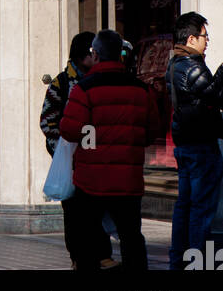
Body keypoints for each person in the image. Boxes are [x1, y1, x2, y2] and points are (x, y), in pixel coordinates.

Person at [59, 28, 159, 272]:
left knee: (87, 238)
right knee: (131, 237)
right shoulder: (142, 90)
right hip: (128, 180)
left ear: (96, 54)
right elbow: (151, 131)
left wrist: (93, 138)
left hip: (91, 180)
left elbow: (69, 129)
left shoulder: (84, 89)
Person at [40, 31, 112, 268]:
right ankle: (78, 258)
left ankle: (102, 254)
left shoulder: (100, 79)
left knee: (97, 208)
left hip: (96, 159)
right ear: (84, 56)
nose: (96, 57)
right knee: (73, 212)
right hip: (72, 161)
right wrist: (62, 147)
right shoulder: (61, 83)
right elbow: (47, 120)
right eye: (93, 53)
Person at [165, 10, 223, 271]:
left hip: (187, 146)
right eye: (204, 36)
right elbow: (213, 95)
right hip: (201, 147)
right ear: (190, 39)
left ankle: (180, 261)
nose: (207, 41)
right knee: (201, 210)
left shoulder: (175, 65)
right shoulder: (192, 66)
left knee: (185, 208)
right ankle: (196, 263)